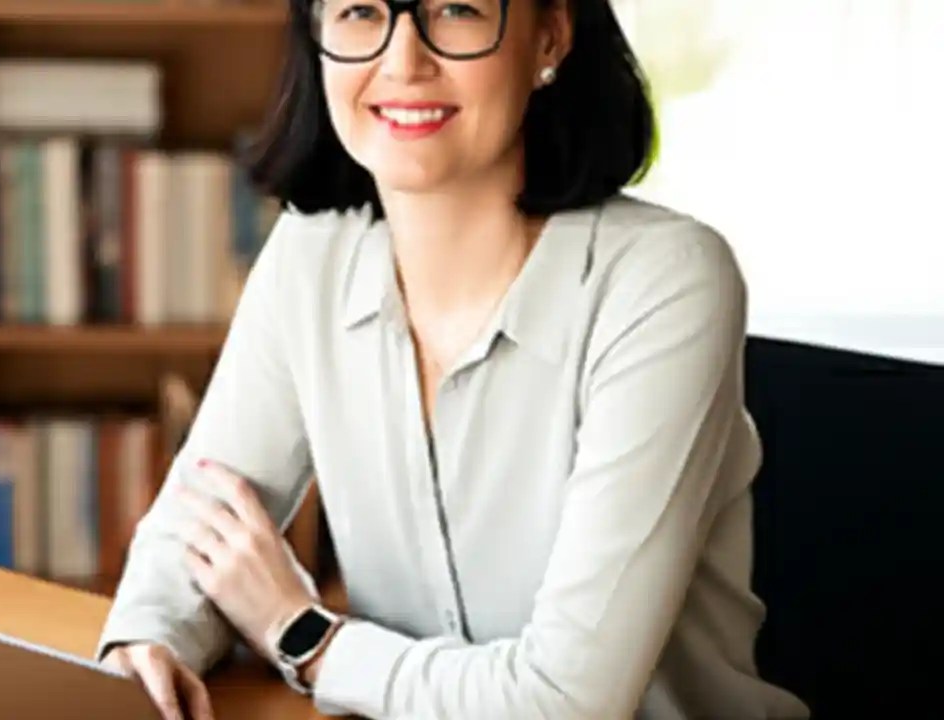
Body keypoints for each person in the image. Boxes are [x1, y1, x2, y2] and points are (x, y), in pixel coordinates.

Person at [97, 0, 812, 718]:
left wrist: (305, 634)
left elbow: (566, 704)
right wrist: (154, 639)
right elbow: (200, 523)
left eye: (458, 10)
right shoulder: (311, 253)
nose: (403, 61)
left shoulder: (663, 280)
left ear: (551, 36)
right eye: (359, 12)